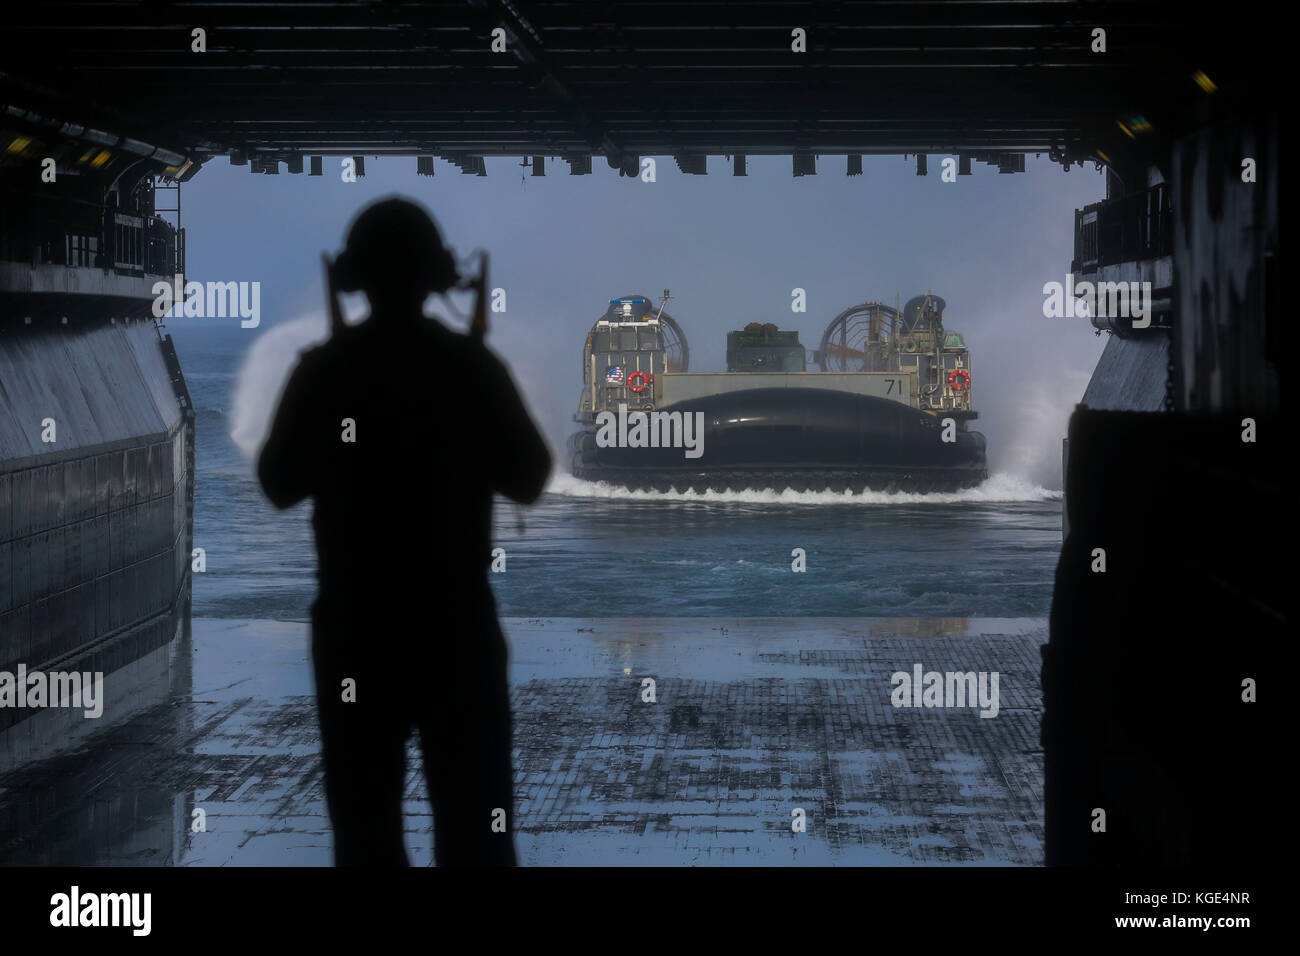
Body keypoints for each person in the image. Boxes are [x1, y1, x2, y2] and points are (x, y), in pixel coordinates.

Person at [257, 197, 551, 865]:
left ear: (353, 276)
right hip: (456, 626)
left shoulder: (323, 371)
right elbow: (530, 477)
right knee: (479, 832)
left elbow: (279, 485)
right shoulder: (471, 368)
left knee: (364, 836)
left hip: (355, 630)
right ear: (440, 276)